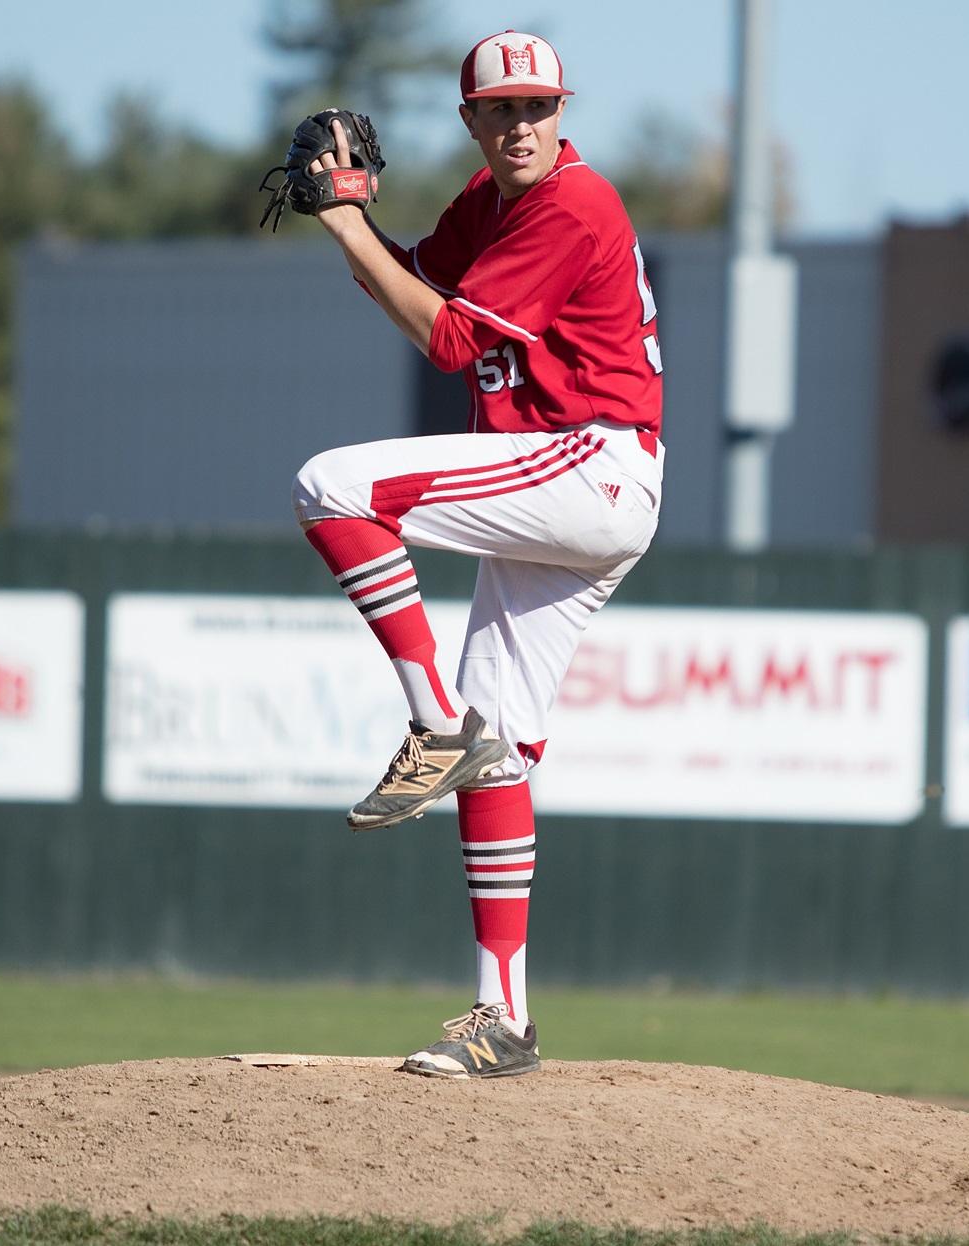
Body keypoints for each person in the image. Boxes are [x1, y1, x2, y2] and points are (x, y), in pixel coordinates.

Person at [290, 30, 664, 1079]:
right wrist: (354, 225)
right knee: (497, 751)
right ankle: (504, 1018)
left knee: (331, 487)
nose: (522, 125)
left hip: (591, 461)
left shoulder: (575, 204)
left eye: (538, 106)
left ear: (562, 112)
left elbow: (452, 341)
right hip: (576, 482)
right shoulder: (486, 202)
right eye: (501, 109)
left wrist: (344, 223)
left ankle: (431, 722)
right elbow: (410, 283)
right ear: (471, 121)